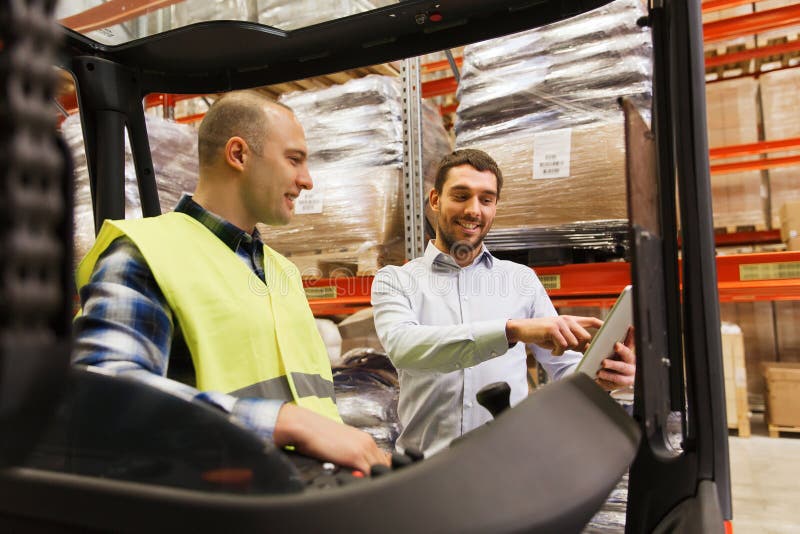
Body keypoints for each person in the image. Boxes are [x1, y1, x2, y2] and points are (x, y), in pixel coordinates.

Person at [73, 90, 389, 473]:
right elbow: (103, 394)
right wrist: (283, 422)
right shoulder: (144, 252)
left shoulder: (281, 271)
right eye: (294, 160)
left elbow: (308, 403)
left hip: (304, 493)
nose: (307, 181)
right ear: (238, 154)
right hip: (215, 496)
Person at [371, 148, 636, 456]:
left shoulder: (521, 279)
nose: (474, 210)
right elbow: (404, 347)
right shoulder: (396, 280)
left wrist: (603, 377)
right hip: (426, 466)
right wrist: (511, 331)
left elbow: (566, 369)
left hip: (508, 465)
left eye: (486, 199)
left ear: (495, 206)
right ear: (435, 200)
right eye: (461, 196)